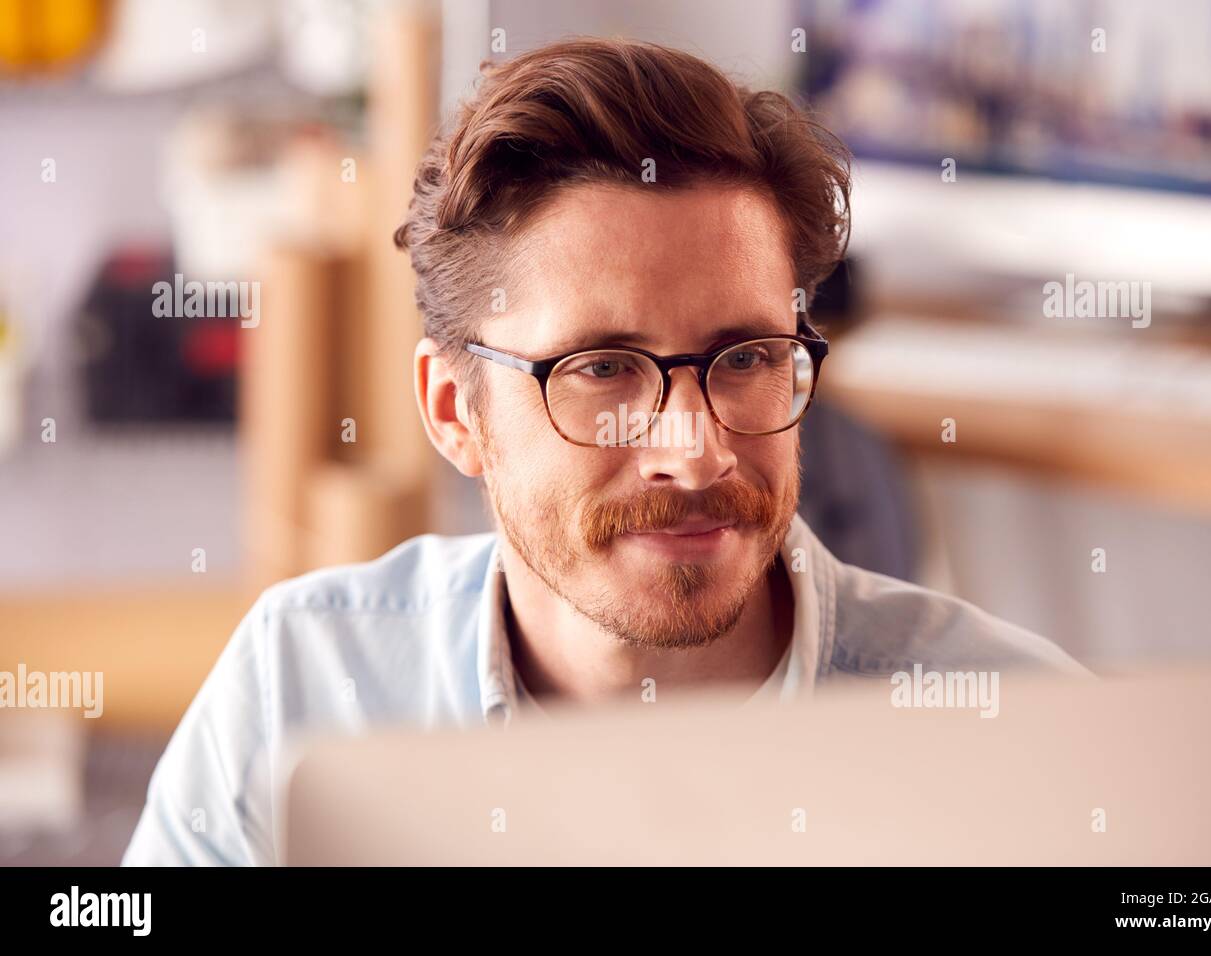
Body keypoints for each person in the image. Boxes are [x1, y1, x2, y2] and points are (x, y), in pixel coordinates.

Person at [123, 38, 1085, 866]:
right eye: (604, 368)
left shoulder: (1015, 724)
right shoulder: (305, 682)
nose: (695, 452)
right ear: (456, 410)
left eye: (745, 356)